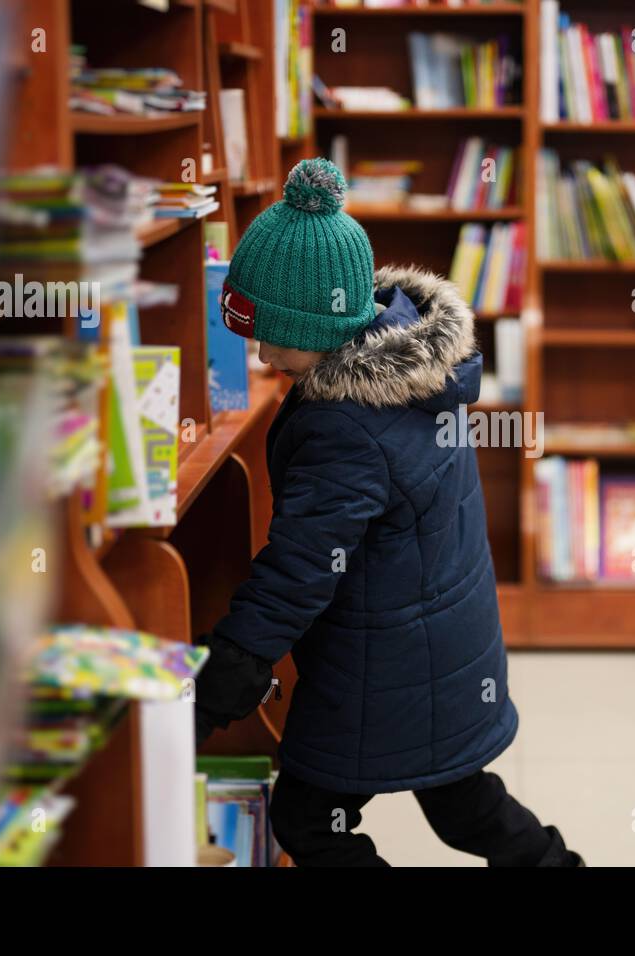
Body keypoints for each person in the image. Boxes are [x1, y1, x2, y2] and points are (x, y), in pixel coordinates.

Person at [193, 158, 582, 866]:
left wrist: (226, 674)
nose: (261, 350)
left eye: (274, 334)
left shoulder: (346, 425)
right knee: (466, 805)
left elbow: (298, 570)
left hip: (388, 661)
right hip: (440, 641)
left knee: (309, 819)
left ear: (321, 322)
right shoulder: (405, 363)